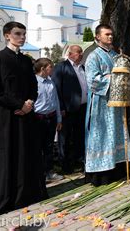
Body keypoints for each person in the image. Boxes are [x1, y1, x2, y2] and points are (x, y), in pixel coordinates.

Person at [0, 21, 47, 216]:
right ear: (6, 35)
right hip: (8, 117)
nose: (22, 37)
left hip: (27, 116)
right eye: (18, 34)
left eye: (24, 34)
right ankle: (4, 198)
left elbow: (33, 87)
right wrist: (18, 105)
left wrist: (29, 104)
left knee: (27, 153)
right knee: (8, 155)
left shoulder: (27, 61)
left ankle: (27, 194)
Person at [84, 24, 130, 186]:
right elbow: (92, 80)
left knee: (117, 133)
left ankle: (117, 167)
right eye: (106, 34)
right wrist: (114, 78)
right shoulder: (93, 56)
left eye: (111, 34)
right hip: (102, 102)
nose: (110, 37)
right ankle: (101, 173)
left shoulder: (115, 55)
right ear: (98, 36)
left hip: (117, 103)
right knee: (102, 134)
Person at [52, 45, 87, 173]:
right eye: (78, 52)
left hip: (83, 108)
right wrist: (60, 107)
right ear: (70, 54)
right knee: (65, 137)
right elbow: (56, 88)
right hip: (67, 109)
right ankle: (65, 165)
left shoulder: (83, 68)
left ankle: (79, 160)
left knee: (80, 135)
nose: (81, 54)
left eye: (81, 52)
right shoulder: (61, 67)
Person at [34, 58, 63, 182]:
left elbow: (55, 101)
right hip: (38, 119)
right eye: (50, 67)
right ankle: (38, 173)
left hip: (50, 118)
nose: (52, 69)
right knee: (38, 147)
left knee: (49, 146)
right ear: (43, 69)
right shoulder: (33, 82)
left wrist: (59, 119)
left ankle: (49, 171)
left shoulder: (51, 82)